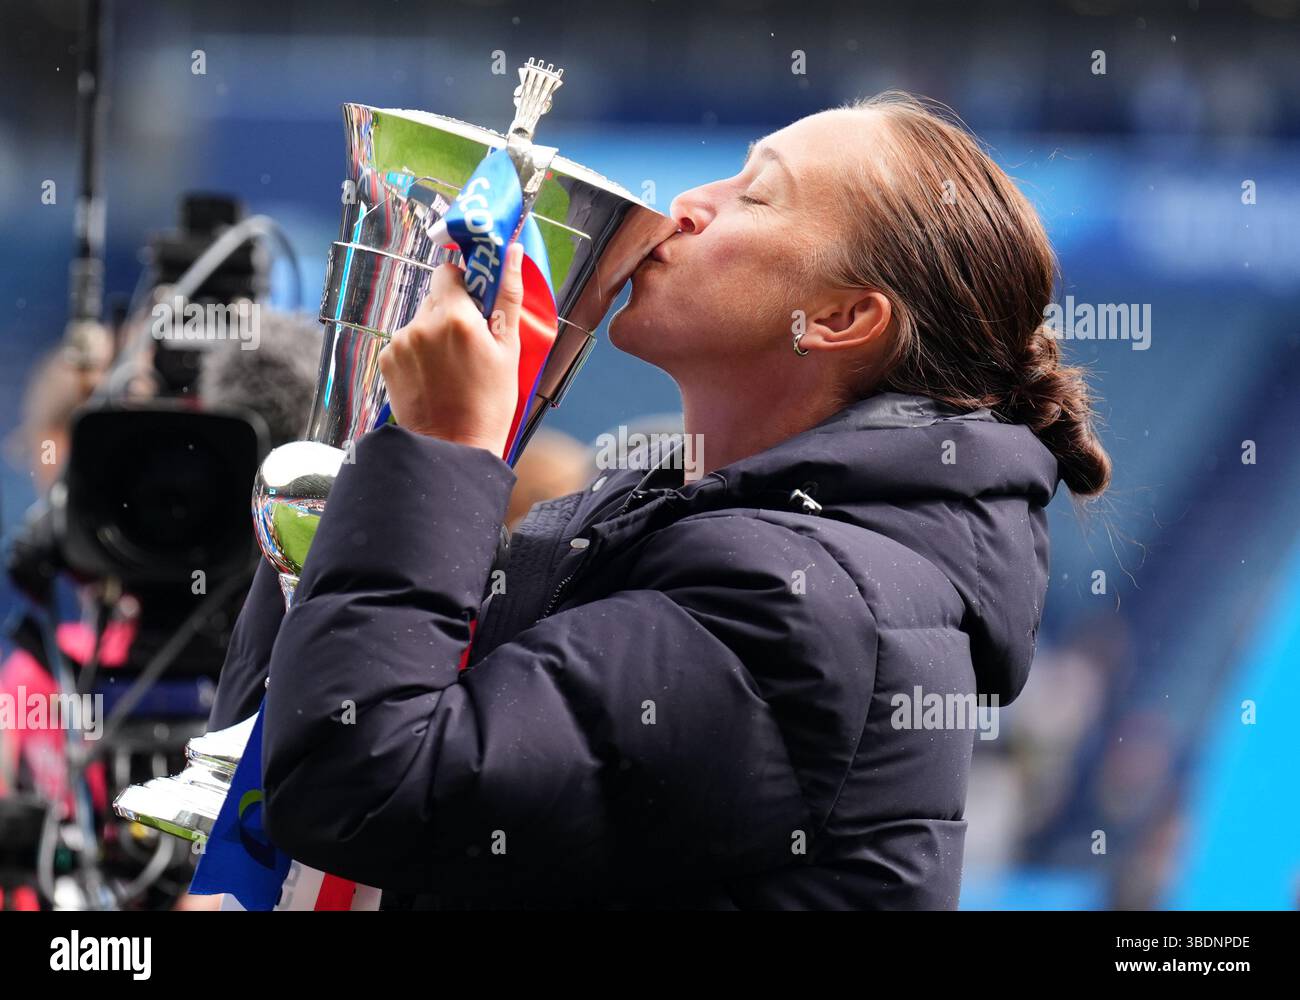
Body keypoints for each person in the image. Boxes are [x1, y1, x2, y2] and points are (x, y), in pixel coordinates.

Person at [208, 92, 1111, 909]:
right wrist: (367, 433)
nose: (684, 206)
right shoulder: (647, 522)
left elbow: (361, 784)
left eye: (756, 197)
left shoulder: (797, 609)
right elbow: (281, 741)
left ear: (840, 320)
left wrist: (440, 450)